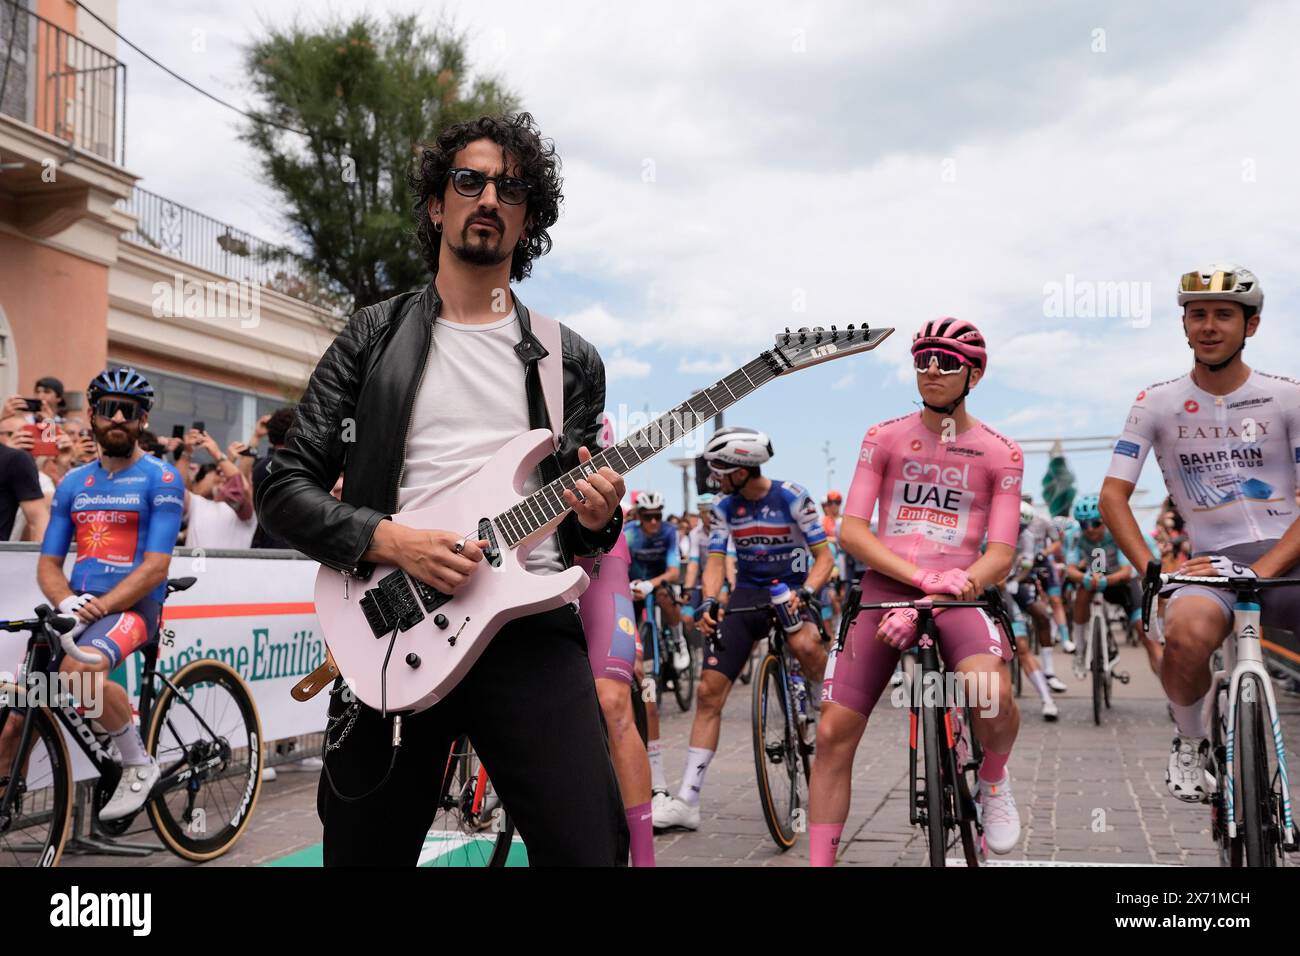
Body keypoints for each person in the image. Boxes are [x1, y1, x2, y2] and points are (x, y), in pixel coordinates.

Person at [255, 111, 628, 866]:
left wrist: (597, 515)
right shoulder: (372, 335)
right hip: (390, 619)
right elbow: (282, 484)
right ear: (437, 204)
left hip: (527, 632)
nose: (489, 197)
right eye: (470, 180)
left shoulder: (570, 359)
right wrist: (389, 539)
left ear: (528, 219)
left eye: (511, 188)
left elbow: (583, 524)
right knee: (362, 854)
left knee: (591, 850)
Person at [808, 318, 1025, 864]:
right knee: (833, 732)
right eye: (923, 358)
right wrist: (920, 578)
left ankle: (994, 784)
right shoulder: (883, 437)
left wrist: (964, 580)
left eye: (947, 361)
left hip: (962, 593)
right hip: (887, 589)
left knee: (990, 692)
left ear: (973, 372)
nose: (932, 369)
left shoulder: (1002, 452)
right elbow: (851, 530)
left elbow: (1001, 551)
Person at [1100, 263, 1300, 803]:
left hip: (1288, 554)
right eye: (1198, 315)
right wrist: (1155, 569)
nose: (1209, 326)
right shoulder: (1155, 402)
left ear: (1250, 326)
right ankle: (1190, 740)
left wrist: (1264, 569)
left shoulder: (1288, 396)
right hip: (1213, 562)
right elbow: (1112, 496)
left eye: (1223, 315)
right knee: (1184, 637)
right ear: (1185, 324)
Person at [19, 368, 183, 821]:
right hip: (81, 606)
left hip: (134, 606)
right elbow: (49, 566)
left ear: (142, 420)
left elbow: (157, 566)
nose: (116, 417)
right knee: (21, 712)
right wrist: (67, 602)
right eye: (107, 408)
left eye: (127, 411)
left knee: (77, 673)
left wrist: (101, 606)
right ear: (91, 416)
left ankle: (138, 762)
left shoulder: (162, 478)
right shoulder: (73, 483)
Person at [655, 426, 834, 831]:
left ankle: (821, 704)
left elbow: (825, 558)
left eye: (720, 467)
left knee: (806, 645)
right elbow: (715, 560)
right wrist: (710, 598)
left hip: (793, 588)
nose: (714, 475)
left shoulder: (792, 495)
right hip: (749, 594)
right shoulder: (723, 508)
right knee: (707, 691)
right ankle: (688, 799)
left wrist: (806, 591)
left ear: (742, 468)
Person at [0, 416, 48, 541]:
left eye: (29, 434)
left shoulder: (15, 459)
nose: (24, 438)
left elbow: (38, 520)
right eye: (12, 434)